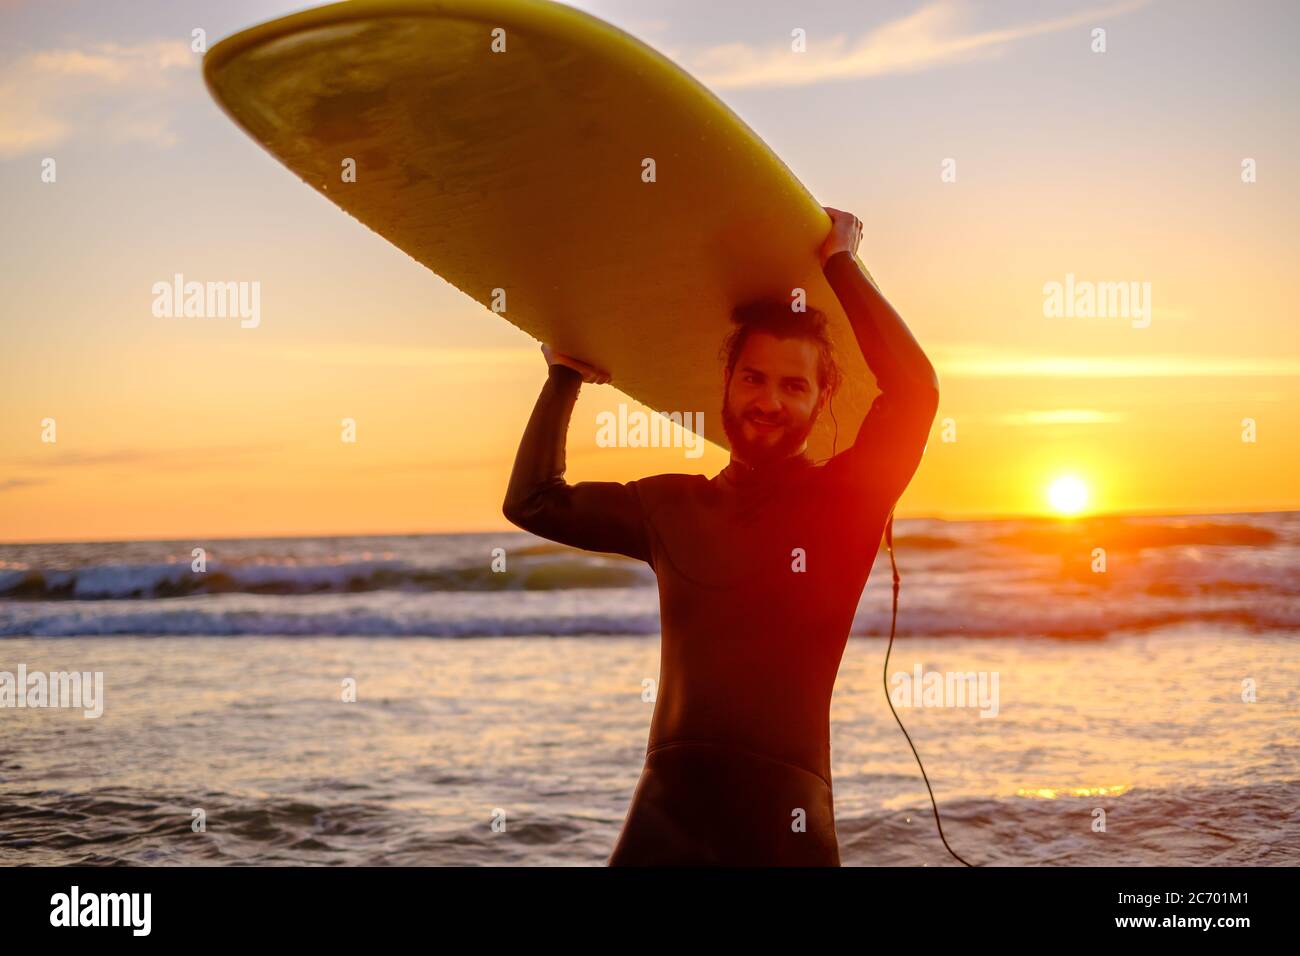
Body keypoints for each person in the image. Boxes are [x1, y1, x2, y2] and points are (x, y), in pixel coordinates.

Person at [502, 207, 939, 865]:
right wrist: (563, 374)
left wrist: (839, 262)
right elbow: (533, 502)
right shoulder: (670, 505)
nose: (768, 401)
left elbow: (916, 393)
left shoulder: (844, 502)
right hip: (665, 814)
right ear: (726, 384)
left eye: (794, 386)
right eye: (753, 377)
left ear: (821, 403)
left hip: (785, 819)